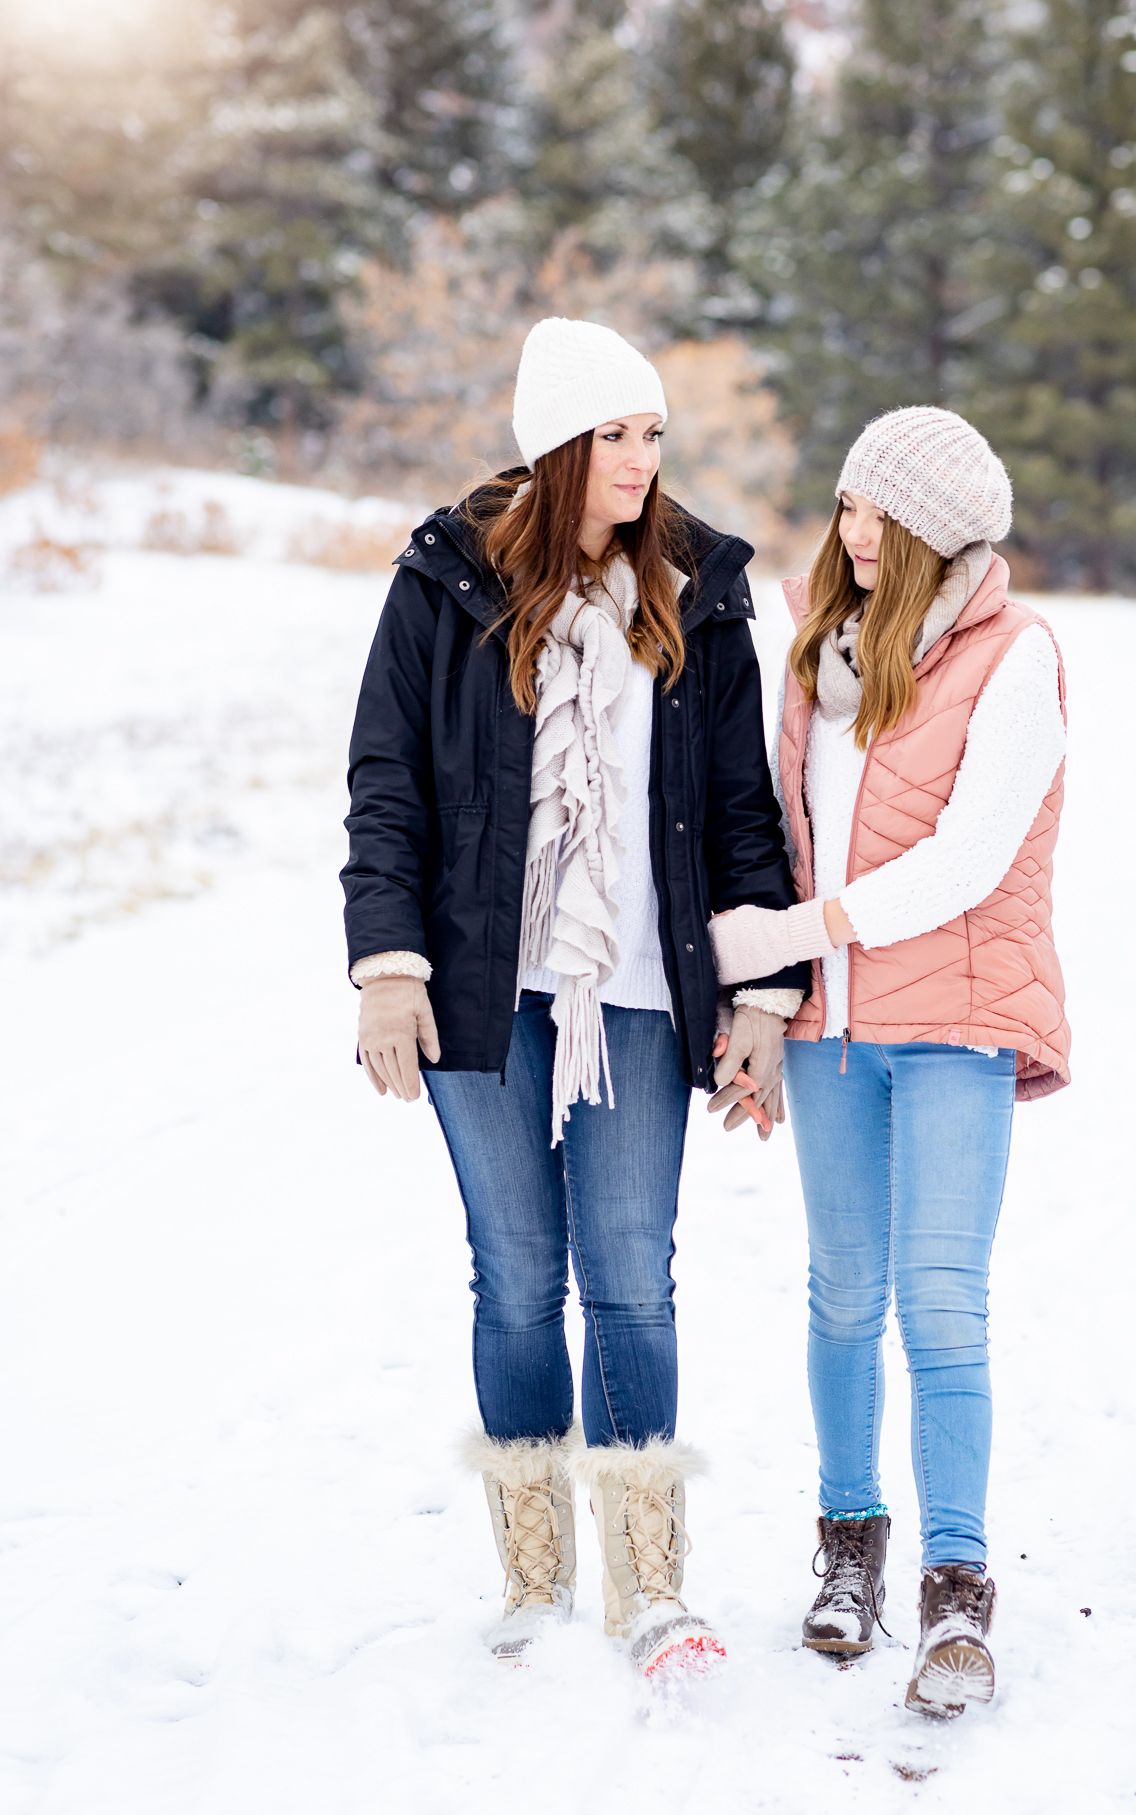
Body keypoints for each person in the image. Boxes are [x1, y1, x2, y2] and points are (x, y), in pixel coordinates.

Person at [340, 317, 805, 1673]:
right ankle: (535, 1584)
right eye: (613, 434)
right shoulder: (447, 582)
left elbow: (740, 814)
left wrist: (762, 997)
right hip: (484, 990)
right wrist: (386, 967)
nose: (639, 459)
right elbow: (388, 787)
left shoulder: (700, 591)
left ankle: (651, 1587)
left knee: (631, 1282)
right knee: (515, 1278)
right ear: (553, 445)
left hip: (647, 996)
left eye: (653, 433)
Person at [709, 406, 1070, 1716]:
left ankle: (957, 1586)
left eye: (877, 516)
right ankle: (847, 1552)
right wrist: (757, 1004)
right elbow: (779, 838)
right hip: (832, 1035)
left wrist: (798, 931)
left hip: (956, 1025)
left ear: (934, 533)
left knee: (939, 1303)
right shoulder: (817, 657)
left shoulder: (1016, 656)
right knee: (840, 1294)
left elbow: (968, 858)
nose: (850, 533)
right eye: (847, 507)